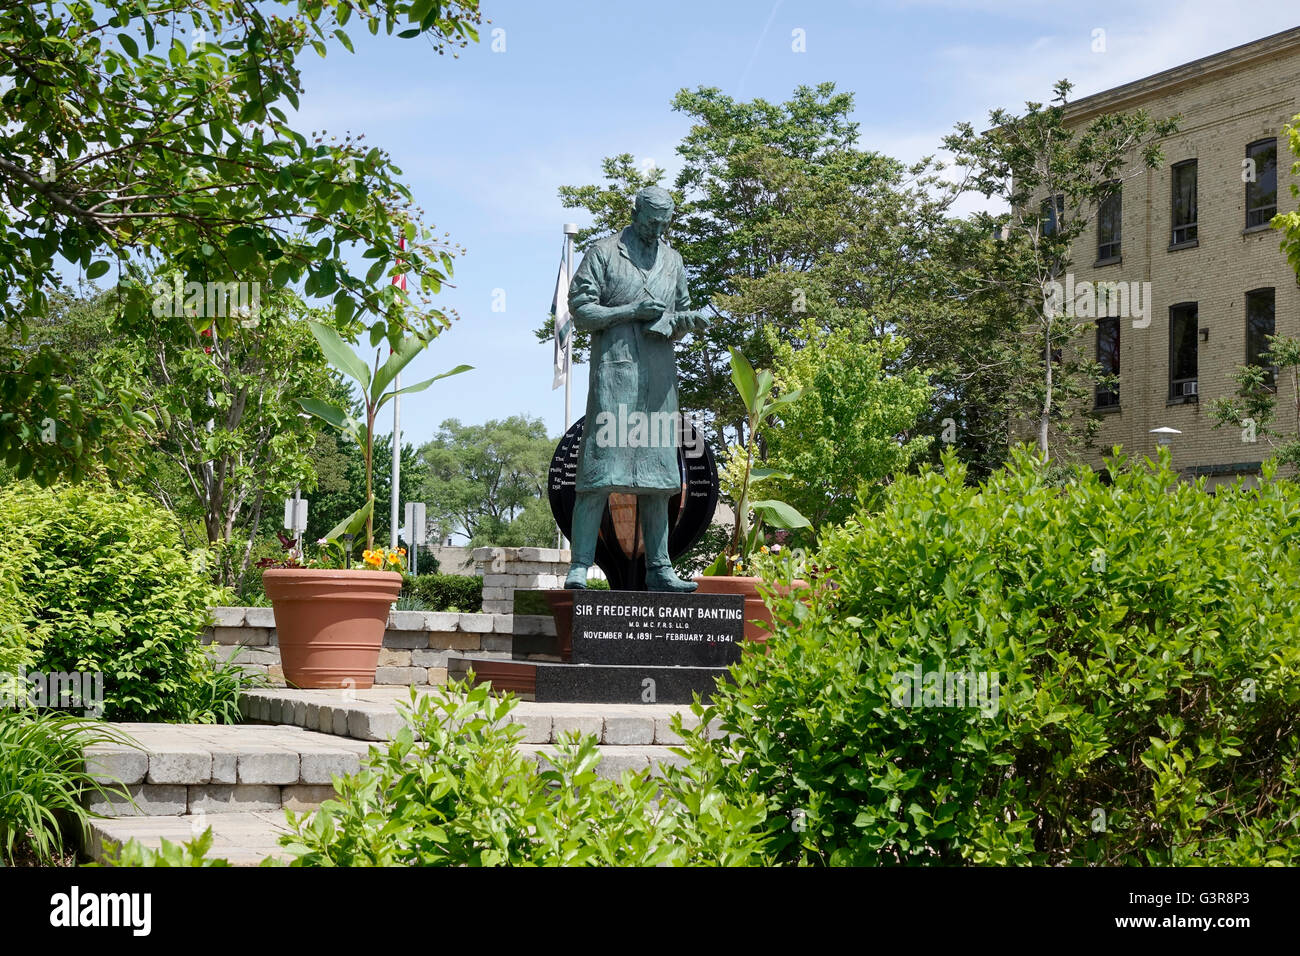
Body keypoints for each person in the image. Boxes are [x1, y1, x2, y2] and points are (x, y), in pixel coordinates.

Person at [563, 186, 709, 591]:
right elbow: (581, 310)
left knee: (659, 478)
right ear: (635, 213)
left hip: (659, 383)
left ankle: (659, 569)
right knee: (599, 473)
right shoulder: (603, 253)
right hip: (616, 378)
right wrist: (629, 312)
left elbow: (678, 310)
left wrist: (686, 320)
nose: (658, 229)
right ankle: (579, 566)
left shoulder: (674, 260)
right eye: (651, 221)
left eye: (665, 222)